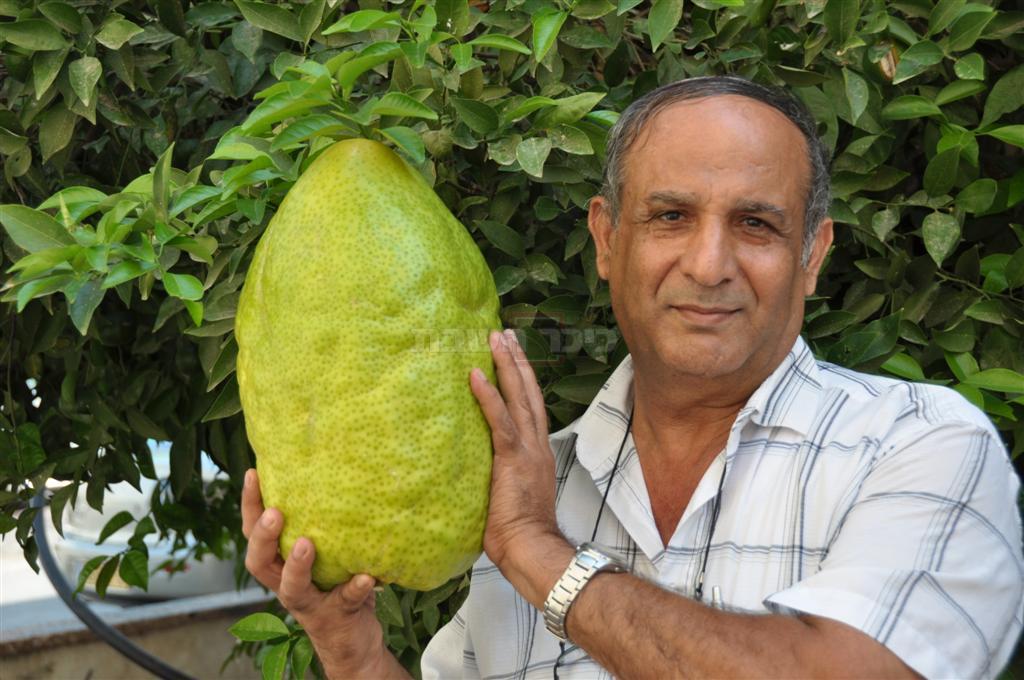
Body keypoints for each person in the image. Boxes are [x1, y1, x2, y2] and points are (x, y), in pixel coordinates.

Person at [241, 76, 1024, 678]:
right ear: (608, 241)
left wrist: (539, 555)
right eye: (671, 217)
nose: (709, 264)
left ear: (812, 257)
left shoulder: (923, 445)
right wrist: (348, 651)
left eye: (755, 224)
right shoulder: (530, 479)